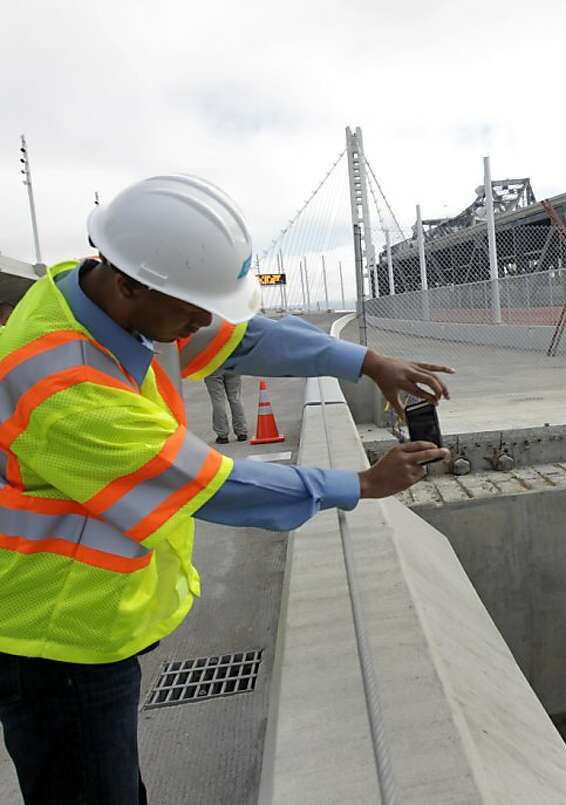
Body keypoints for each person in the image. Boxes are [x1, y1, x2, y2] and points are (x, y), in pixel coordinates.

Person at [0, 174, 453, 805]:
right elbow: (209, 485)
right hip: (59, 643)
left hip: (86, 625)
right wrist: (359, 484)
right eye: (192, 308)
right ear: (130, 284)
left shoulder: (112, 301)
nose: (202, 322)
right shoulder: (66, 387)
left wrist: (366, 361)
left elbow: (247, 338)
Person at [203, 370, 248, 443]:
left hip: (213, 368)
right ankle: (241, 432)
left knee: (218, 401)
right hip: (232, 366)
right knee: (235, 399)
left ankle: (222, 435)